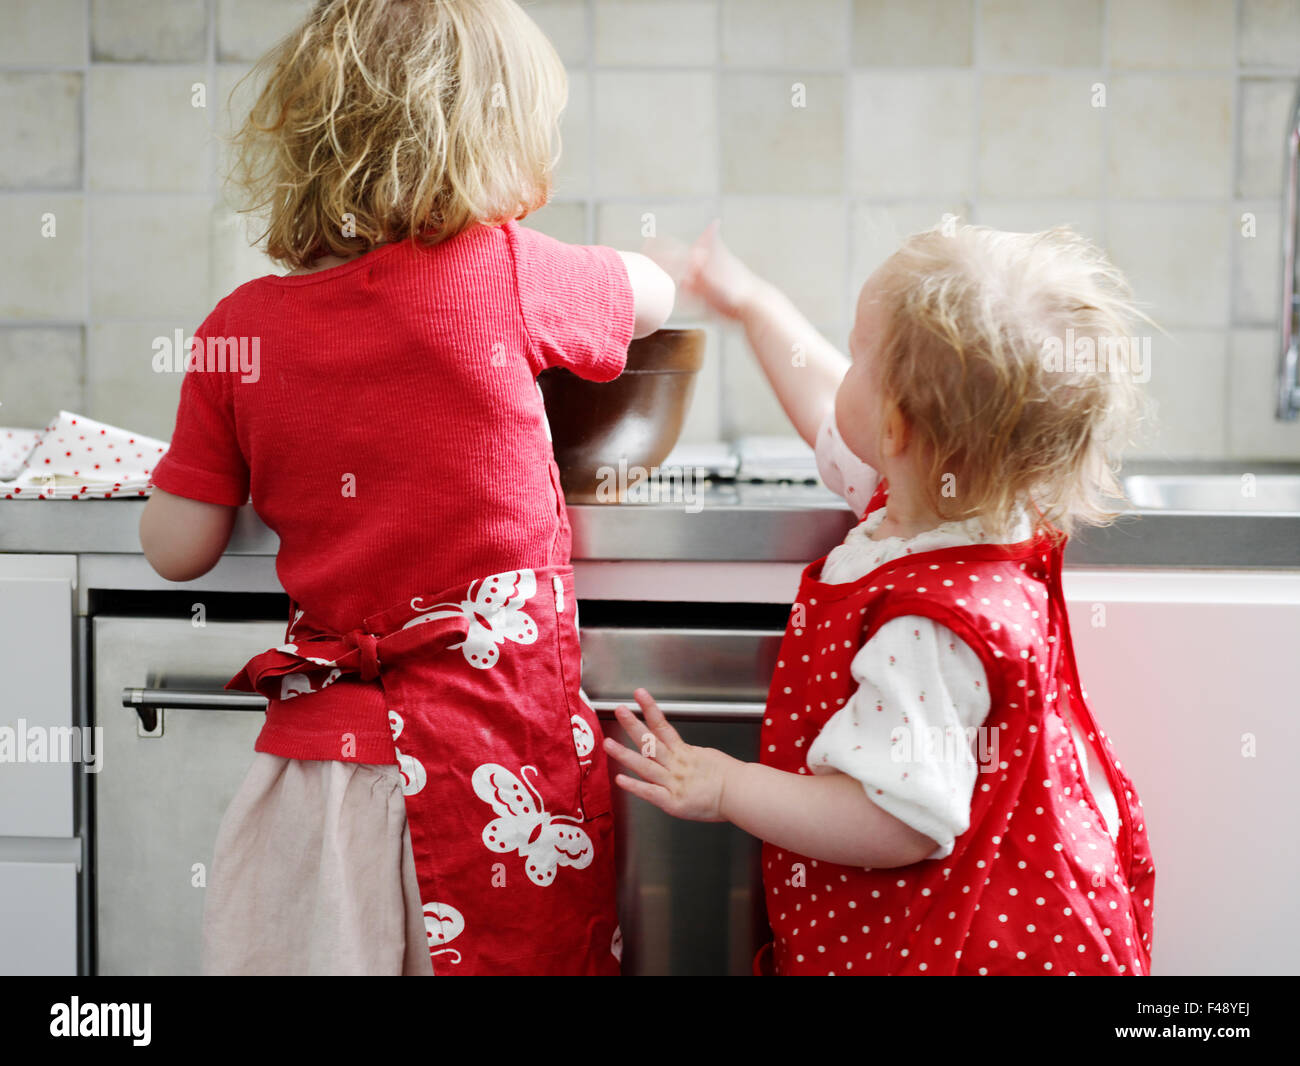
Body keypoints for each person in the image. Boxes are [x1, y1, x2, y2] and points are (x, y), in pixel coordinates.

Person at [140, 0, 673, 976]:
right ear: (486, 148)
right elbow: (653, 296)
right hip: (493, 779)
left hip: (319, 775)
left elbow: (178, 548)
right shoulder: (506, 267)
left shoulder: (236, 326)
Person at [606, 221, 1156, 976]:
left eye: (861, 354)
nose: (843, 368)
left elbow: (897, 818)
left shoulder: (929, 626)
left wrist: (727, 785)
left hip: (951, 949)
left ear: (895, 426)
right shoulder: (945, 506)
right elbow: (825, 411)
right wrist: (752, 303)